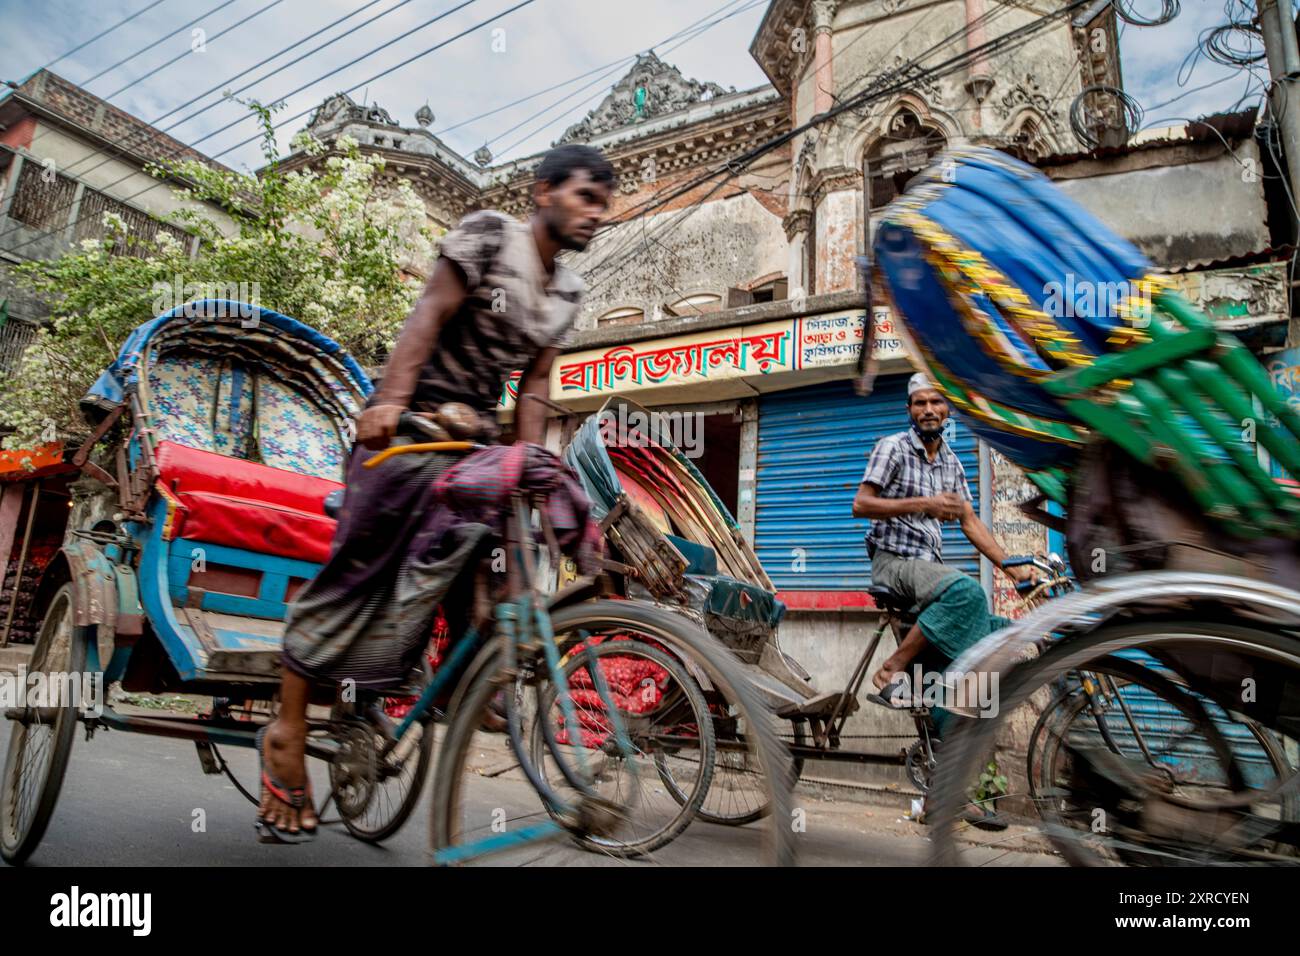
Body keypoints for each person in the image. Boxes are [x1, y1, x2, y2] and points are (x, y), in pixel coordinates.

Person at [254, 144, 615, 843]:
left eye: (603, 202)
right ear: (543, 191)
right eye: (585, 197)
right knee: (353, 583)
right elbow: (428, 312)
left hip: (477, 446)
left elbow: (534, 384)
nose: (596, 213)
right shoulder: (486, 235)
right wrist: (388, 400)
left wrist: (532, 459)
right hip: (412, 431)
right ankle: (288, 728)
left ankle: (464, 685)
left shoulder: (566, 293)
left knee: (504, 576)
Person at [852, 372, 1036, 710]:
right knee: (966, 592)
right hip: (893, 562)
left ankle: (941, 743)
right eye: (920, 403)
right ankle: (891, 669)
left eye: (936, 401)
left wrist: (1015, 570)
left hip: (926, 570)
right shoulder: (892, 448)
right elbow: (861, 505)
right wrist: (925, 504)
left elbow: (970, 522)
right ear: (909, 410)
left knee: (998, 630)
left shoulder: (951, 463)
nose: (928, 409)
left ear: (948, 409)